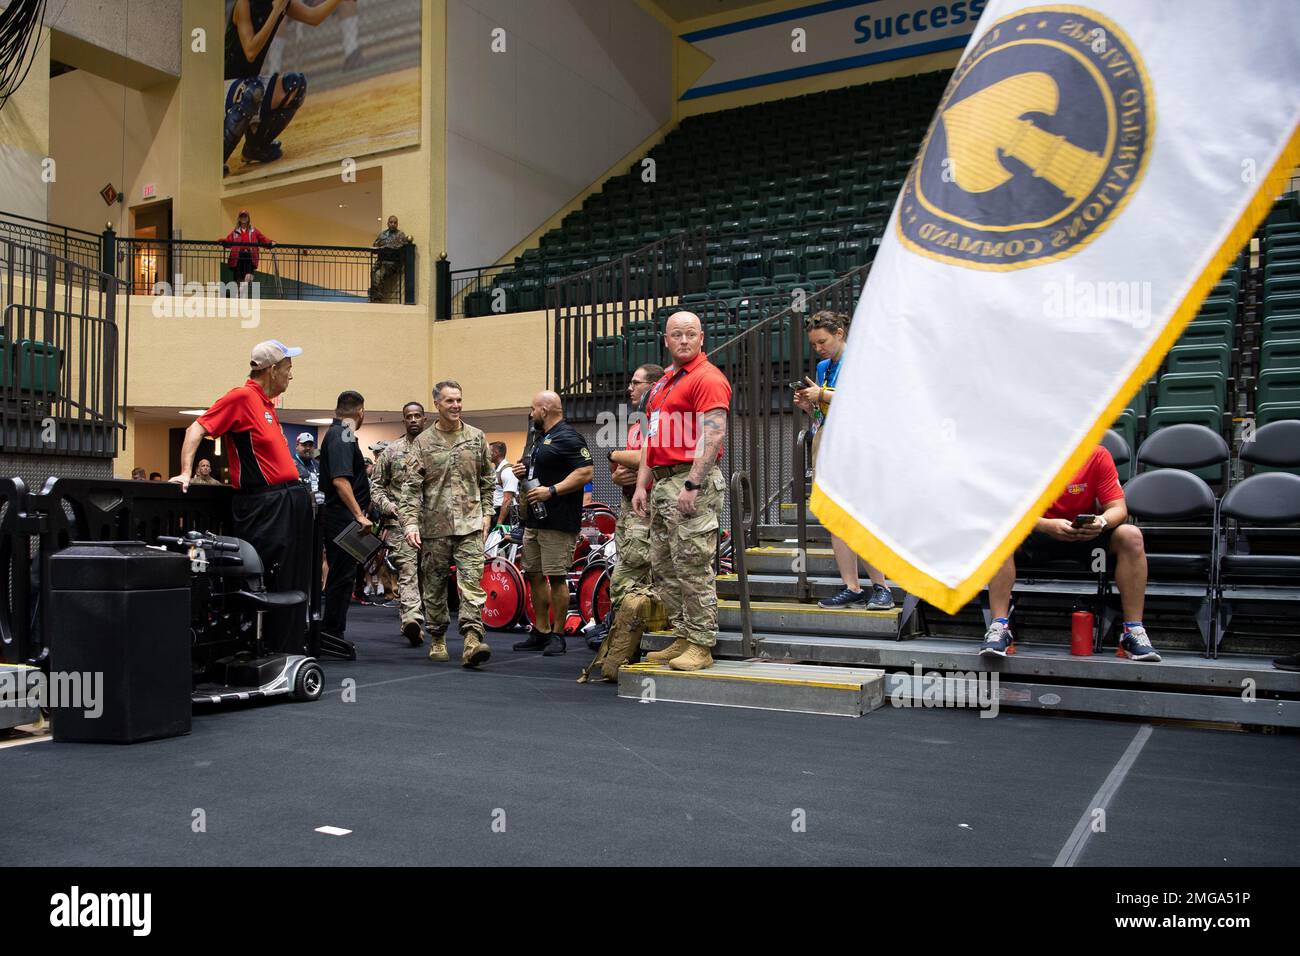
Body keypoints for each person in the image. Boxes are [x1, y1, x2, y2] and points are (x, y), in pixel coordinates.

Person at [171, 339, 313, 654]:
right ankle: (263, 648)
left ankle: (288, 648)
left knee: (292, 579)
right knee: (268, 576)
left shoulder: (266, 404)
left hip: (286, 501)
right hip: (265, 505)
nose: (291, 375)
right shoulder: (241, 397)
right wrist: (185, 472)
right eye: (288, 368)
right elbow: (196, 429)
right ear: (273, 369)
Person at [980, 444, 1160, 662]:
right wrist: (1045, 525)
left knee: (1131, 535)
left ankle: (1132, 632)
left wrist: (1101, 521)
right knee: (998, 535)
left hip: (1087, 536)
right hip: (1037, 533)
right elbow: (1006, 509)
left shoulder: (1096, 454)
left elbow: (1118, 509)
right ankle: (1000, 627)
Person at [633, 312, 731, 672]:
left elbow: (714, 434)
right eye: (677, 334)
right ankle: (684, 635)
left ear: (701, 337)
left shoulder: (708, 378)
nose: (684, 340)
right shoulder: (662, 384)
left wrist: (693, 483)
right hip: (662, 482)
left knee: (692, 565)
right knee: (663, 565)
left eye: (691, 334)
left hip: (691, 481)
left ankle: (702, 644)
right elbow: (651, 435)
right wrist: (643, 482)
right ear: (666, 340)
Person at [792, 310, 894, 611]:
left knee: (862, 517)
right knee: (838, 520)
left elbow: (864, 399)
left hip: (859, 446)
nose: (819, 348)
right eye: (814, 344)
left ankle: (881, 586)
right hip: (831, 445)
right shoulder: (824, 367)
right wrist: (810, 405)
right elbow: (826, 413)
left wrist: (821, 392)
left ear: (840, 334)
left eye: (823, 341)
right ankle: (851, 585)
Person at [398, 381, 496, 667]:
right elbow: (411, 489)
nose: (455, 406)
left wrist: (487, 514)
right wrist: (411, 524)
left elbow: (487, 481)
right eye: (449, 401)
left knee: (471, 584)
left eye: (459, 400)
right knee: (435, 586)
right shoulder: (423, 442)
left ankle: (472, 640)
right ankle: (438, 636)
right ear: (437, 405)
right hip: (434, 528)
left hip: (470, 526)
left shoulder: (477, 437)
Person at [511, 391, 594, 656]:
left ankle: (558, 634)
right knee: (533, 575)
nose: (531, 413)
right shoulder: (540, 438)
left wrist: (553, 490)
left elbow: (586, 471)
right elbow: (541, 469)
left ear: (545, 410)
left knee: (556, 577)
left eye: (533, 409)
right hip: (535, 520)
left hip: (558, 520)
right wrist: (523, 471)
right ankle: (541, 630)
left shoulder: (568, 436)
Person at [223, 0, 348, 169]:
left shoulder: (282, 3)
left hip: (248, 85)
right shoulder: (244, 4)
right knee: (252, 91)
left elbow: (314, 17)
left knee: (295, 85)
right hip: (220, 88)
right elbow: (250, 51)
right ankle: (213, 162)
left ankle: (255, 147)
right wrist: (276, 12)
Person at [371, 402, 429, 646]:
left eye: (417, 416)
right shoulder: (391, 451)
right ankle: (412, 620)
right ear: (404, 420)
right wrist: (388, 507)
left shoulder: (436, 450)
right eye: (409, 416)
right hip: (401, 524)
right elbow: (376, 487)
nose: (413, 420)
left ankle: (426, 620)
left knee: (429, 576)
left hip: (433, 525)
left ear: (424, 419)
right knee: (407, 573)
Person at [607, 363, 663, 610]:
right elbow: (622, 468)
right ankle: (631, 630)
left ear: (653, 386)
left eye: (636, 383)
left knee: (627, 575)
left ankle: (624, 627)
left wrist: (613, 454)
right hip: (628, 507)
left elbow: (649, 456)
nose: (630, 389)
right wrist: (616, 475)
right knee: (630, 568)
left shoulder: (663, 419)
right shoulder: (636, 425)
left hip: (649, 509)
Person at [319, 390, 371, 654]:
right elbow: (340, 480)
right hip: (342, 516)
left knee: (345, 576)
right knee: (341, 577)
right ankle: (331, 634)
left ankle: (333, 632)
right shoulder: (341, 434)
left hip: (345, 516)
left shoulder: (345, 433)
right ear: (360, 412)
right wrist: (359, 515)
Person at [218, 210, 274, 291]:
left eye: (245, 216)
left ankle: (241, 292)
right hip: (238, 256)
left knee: (249, 276)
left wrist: (270, 243)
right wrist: (222, 241)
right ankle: (238, 295)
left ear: (248, 218)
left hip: (249, 256)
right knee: (238, 277)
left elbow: (262, 239)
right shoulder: (235, 232)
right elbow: (228, 241)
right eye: (242, 216)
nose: (243, 218)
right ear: (239, 219)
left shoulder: (254, 231)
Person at [369, 216, 412, 302]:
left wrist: (387, 247)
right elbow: (375, 244)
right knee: (373, 272)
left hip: (392, 263)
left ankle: (376, 295)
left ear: (397, 224)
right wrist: (379, 246)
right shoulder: (382, 234)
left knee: (378, 274)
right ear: (387, 223)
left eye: (395, 222)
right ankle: (375, 294)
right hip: (381, 261)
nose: (393, 224)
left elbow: (400, 247)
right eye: (391, 222)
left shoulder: (400, 235)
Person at [489, 440, 519, 527]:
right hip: (496, 512)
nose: (486, 454)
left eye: (488, 452)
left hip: (505, 515)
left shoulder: (507, 471)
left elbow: (507, 500)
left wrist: (499, 522)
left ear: (496, 453)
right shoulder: (496, 470)